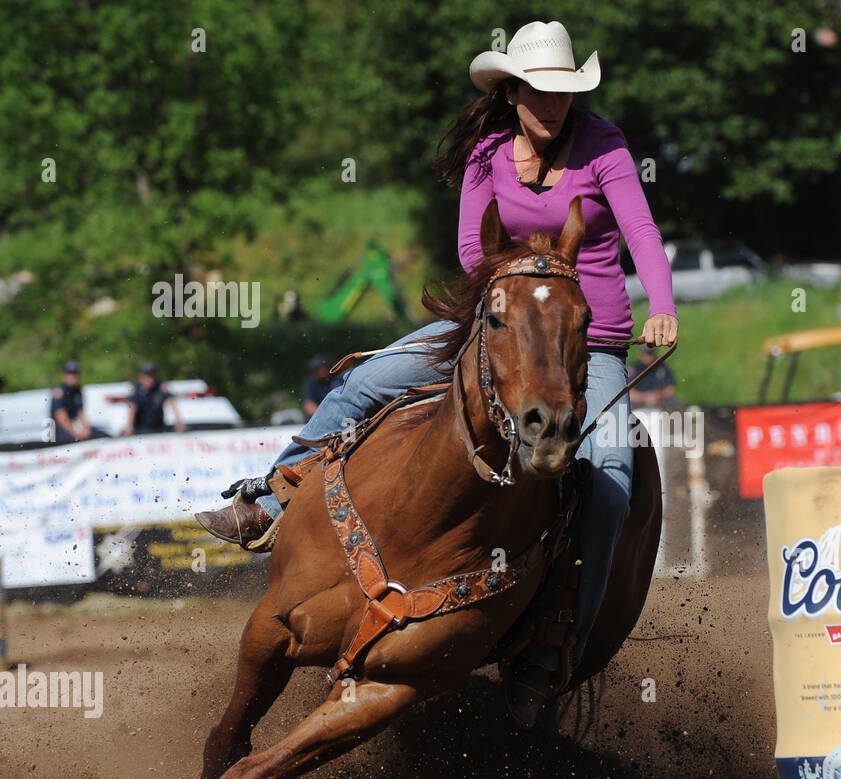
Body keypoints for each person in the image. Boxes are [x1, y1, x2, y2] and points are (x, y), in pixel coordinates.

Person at [195, 20, 679, 727]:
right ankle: (269, 500)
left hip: (589, 341)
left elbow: (640, 231)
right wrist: (509, 304)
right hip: (499, 328)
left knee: (609, 477)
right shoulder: (487, 152)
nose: (554, 105)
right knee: (363, 383)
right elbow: (466, 244)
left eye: (564, 93)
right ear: (511, 91)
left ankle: (558, 635)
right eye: (540, 91)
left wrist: (660, 305)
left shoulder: (603, 145)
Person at [49, 360, 108, 443]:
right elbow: (61, 416)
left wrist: (86, 429)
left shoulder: (77, 390)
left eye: (75, 373)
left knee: (103, 435)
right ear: (64, 375)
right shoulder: (60, 391)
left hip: (75, 426)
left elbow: (80, 412)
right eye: (70, 373)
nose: (74, 376)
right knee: (72, 440)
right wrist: (75, 433)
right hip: (61, 429)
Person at [123, 362, 185, 436]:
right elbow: (132, 407)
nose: (149, 380)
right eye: (146, 377)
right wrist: (129, 426)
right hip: (140, 431)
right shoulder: (136, 390)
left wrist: (178, 421)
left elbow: (171, 402)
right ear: (141, 377)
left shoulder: (160, 387)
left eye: (151, 376)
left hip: (158, 430)